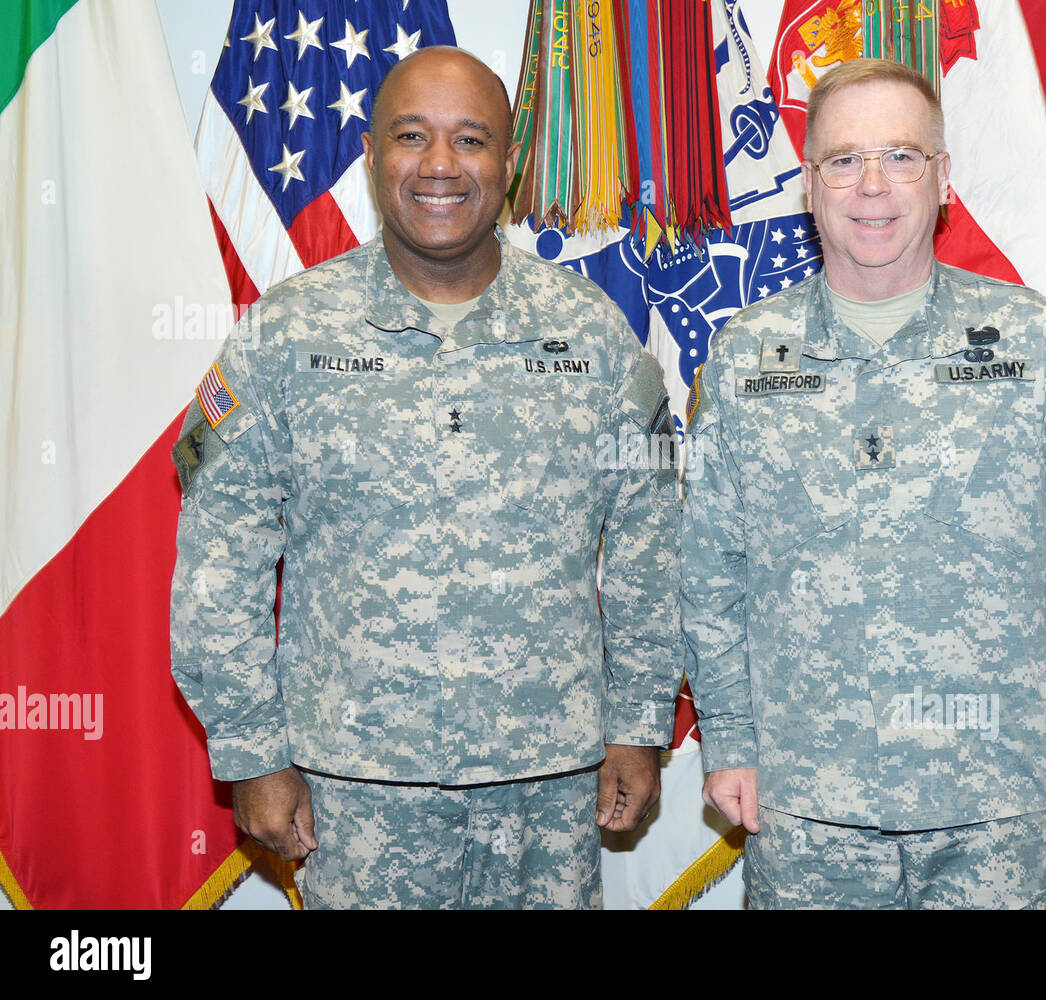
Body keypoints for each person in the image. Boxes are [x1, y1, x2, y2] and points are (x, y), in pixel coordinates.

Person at [170, 47, 681, 909]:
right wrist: (252, 750)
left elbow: (650, 546)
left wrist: (638, 724)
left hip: (547, 786)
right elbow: (221, 564)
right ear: (371, 157)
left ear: (508, 165)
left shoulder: (590, 334)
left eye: (471, 139)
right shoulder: (286, 336)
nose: (440, 166)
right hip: (359, 790)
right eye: (412, 136)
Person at [680, 58, 1046, 909]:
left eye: (903, 156)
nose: (873, 185)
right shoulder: (745, 359)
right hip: (808, 817)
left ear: (943, 180)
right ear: (808, 183)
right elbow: (710, 577)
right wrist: (728, 736)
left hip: (1004, 815)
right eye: (844, 160)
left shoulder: (1031, 345)